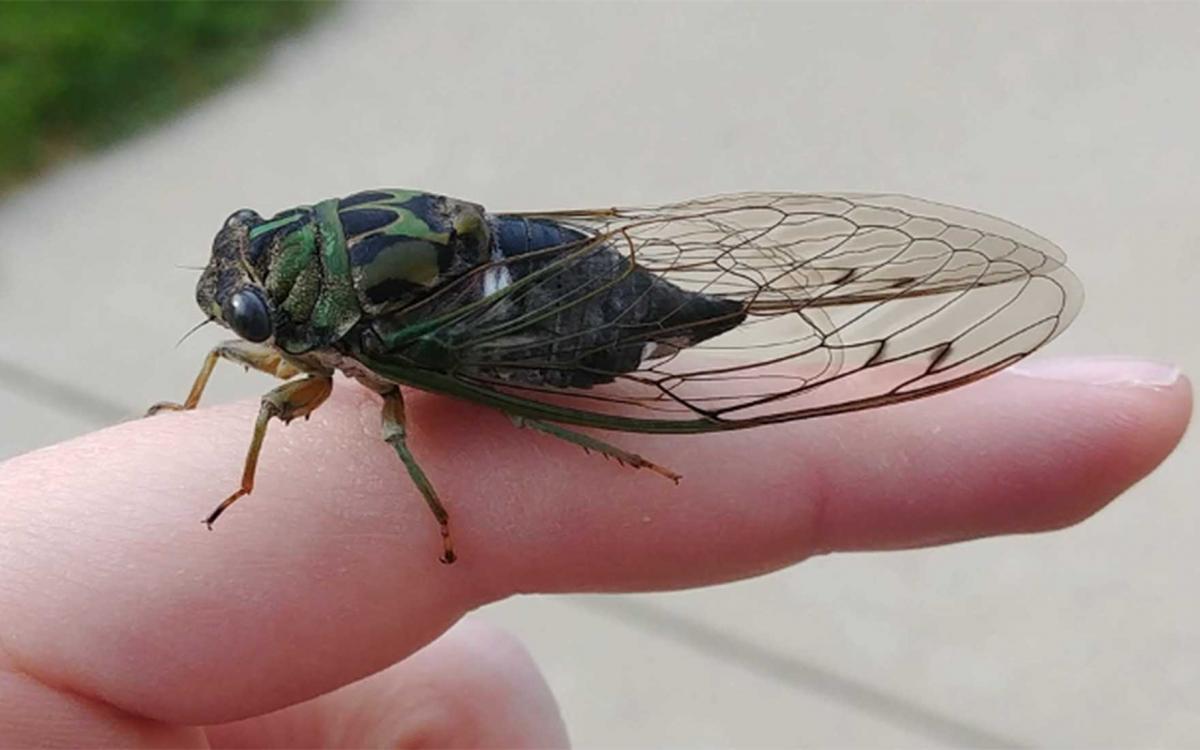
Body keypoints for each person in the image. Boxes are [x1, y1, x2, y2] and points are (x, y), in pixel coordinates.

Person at [0, 357, 1189, 747]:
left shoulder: (344, 359)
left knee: (465, 414)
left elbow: (438, 413)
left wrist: (446, 519)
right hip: (494, 275)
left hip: (533, 328)